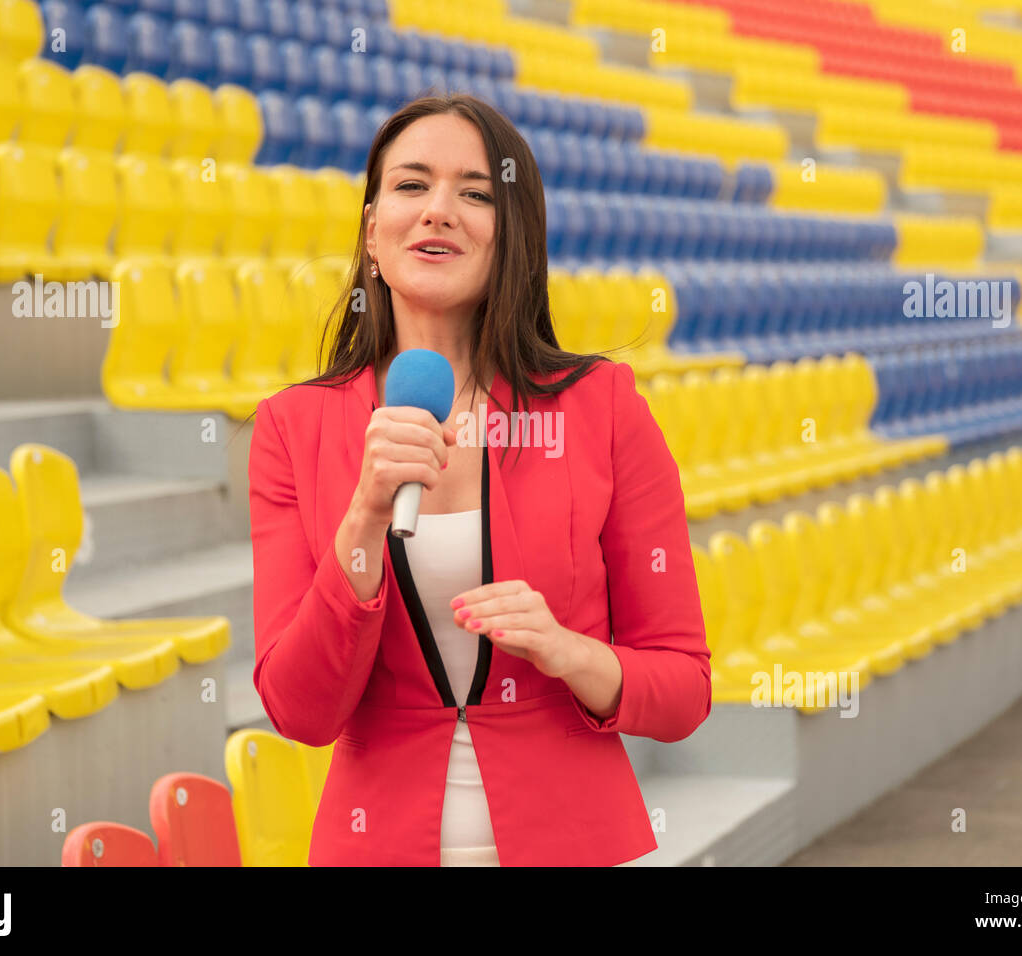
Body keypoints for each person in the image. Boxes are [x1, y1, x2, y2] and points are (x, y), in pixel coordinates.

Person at [247, 92, 711, 866]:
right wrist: (363, 518)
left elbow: (683, 689)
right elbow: (299, 710)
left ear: (513, 237)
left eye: (474, 193)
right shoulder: (293, 428)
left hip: (575, 842)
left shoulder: (601, 409)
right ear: (372, 232)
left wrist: (569, 653)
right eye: (410, 186)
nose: (438, 211)